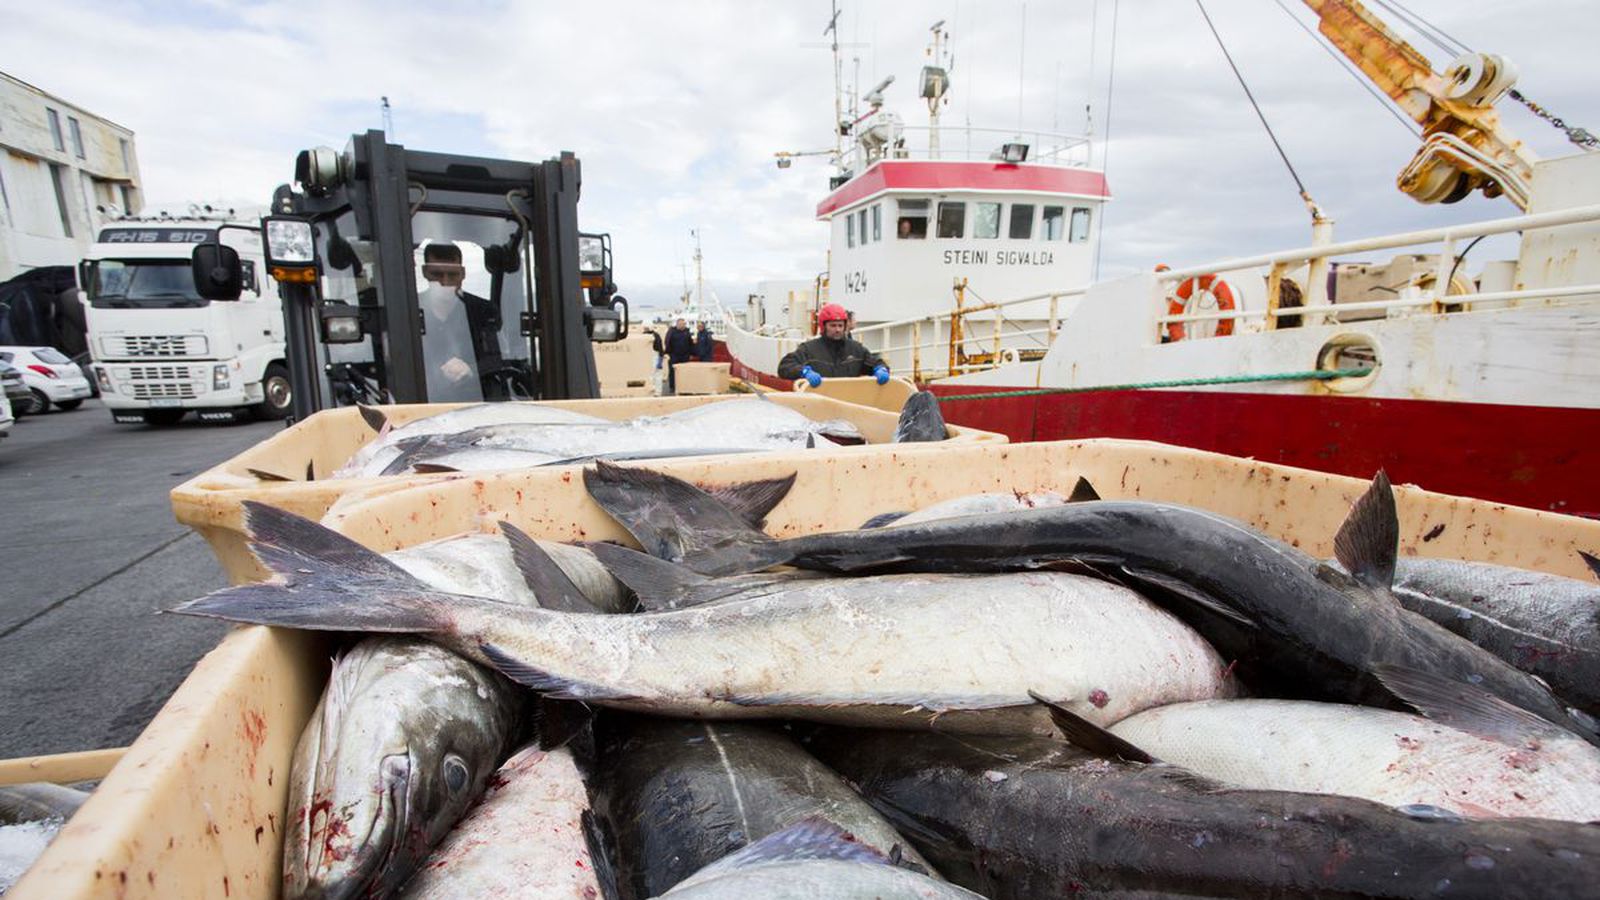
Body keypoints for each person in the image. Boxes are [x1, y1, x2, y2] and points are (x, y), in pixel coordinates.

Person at [416, 242, 503, 402]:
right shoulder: (408, 310)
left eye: (452, 274)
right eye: (436, 274)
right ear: (425, 273)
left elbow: (497, 359)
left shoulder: (483, 311)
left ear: (463, 274)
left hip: (475, 401)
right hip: (419, 402)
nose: (444, 281)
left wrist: (471, 370)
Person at [777, 303, 889, 387]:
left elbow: (876, 362)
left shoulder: (856, 349)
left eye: (840, 326)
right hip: (818, 405)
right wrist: (804, 371)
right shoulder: (809, 349)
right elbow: (785, 367)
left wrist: (881, 369)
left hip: (848, 403)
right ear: (824, 326)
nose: (837, 330)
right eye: (833, 325)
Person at [664, 317, 695, 393]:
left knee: (684, 372)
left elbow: (690, 343)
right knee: (672, 372)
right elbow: (667, 342)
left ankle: (684, 387)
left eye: (683, 324)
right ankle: (672, 387)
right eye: (681, 324)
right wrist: (669, 353)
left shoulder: (687, 332)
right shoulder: (672, 332)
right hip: (674, 355)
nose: (682, 325)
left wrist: (691, 353)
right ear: (677, 324)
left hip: (685, 356)